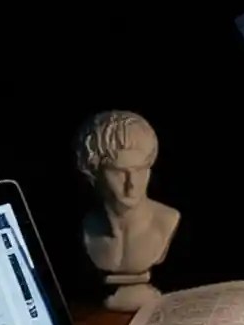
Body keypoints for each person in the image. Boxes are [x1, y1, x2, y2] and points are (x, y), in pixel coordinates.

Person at [74, 110, 180, 311]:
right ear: (93, 172)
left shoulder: (167, 221)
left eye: (141, 170)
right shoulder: (87, 229)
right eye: (118, 172)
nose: (132, 184)